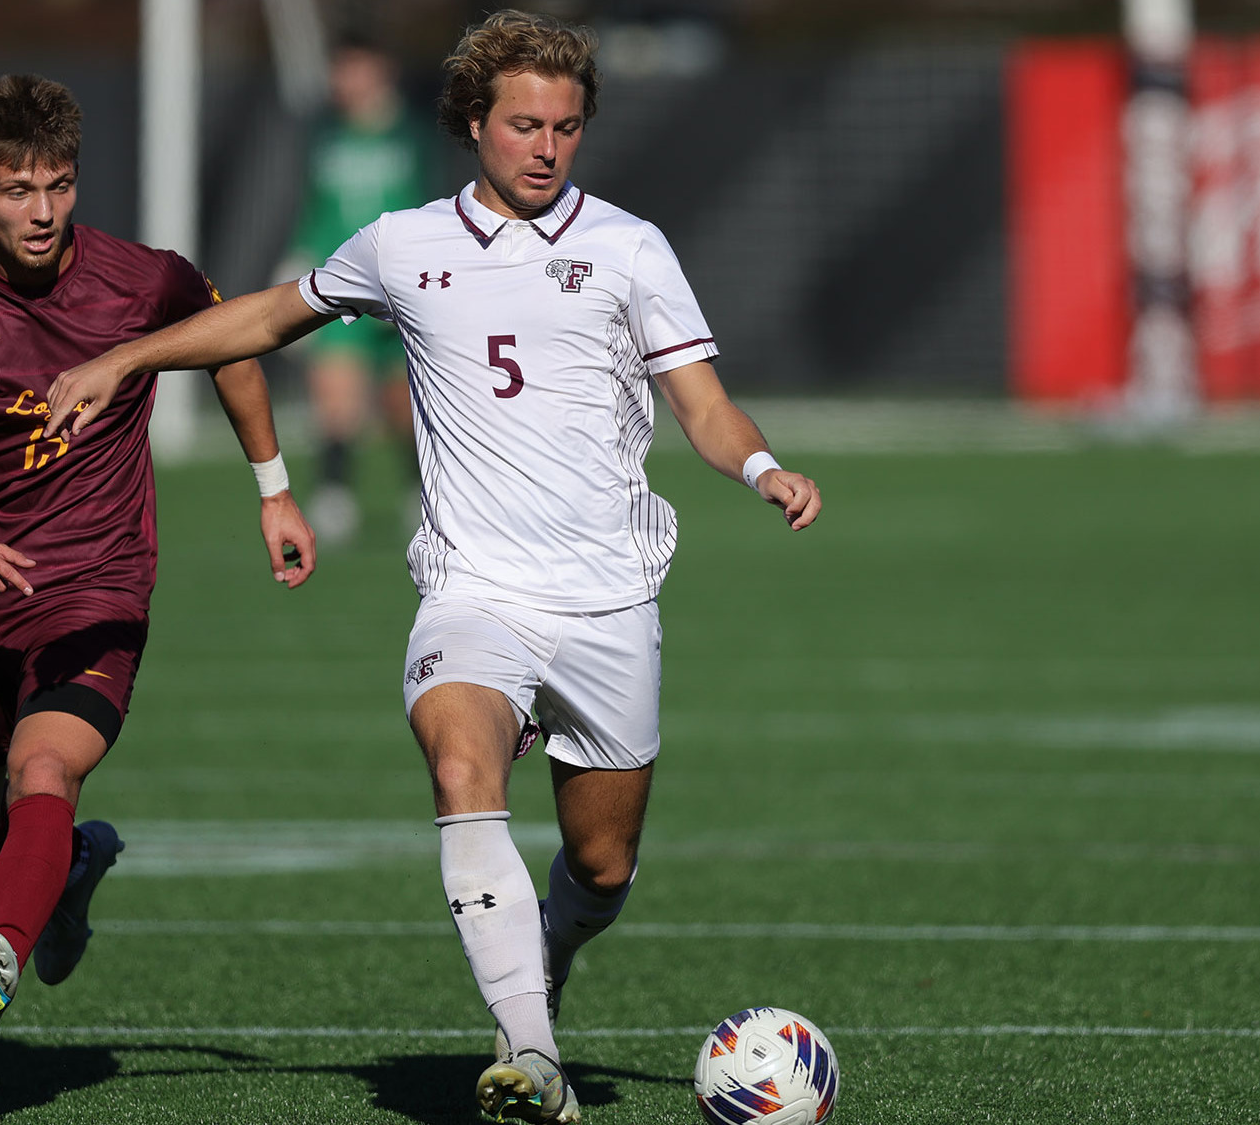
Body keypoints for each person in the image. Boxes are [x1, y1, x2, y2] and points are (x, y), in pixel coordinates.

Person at [41, 12, 821, 1121]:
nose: (545, 147)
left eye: (564, 127)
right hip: (472, 593)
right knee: (463, 773)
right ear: (471, 123)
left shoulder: (630, 247)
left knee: (599, 870)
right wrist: (127, 358)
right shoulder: (401, 244)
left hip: (606, 602)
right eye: (521, 125)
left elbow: (698, 401)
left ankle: (546, 956)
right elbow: (267, 315)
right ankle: (531, 1053)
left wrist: (761, 469)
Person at [0, 74, 315, 1073]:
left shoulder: (140, 280)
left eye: (60, 187)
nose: (43, 212)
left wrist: (272, 486)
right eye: (19, 190)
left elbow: (233, 342)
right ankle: (65, 866)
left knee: (45, 767)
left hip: (99, 586)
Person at [282, 36, 428, 545]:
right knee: (335, 391)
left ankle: (422, 491)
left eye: (353, 69)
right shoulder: (326, 138)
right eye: (338, 70)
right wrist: (300, 258)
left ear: (379, 71)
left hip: (406, 290)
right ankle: (334, 494)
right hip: (344, 287)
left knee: (400, 405)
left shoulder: (413, 137)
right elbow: (317, 210)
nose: (342, 81)